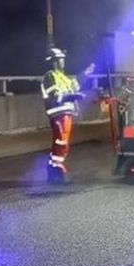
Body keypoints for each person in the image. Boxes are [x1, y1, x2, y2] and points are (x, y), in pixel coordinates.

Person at [41, 47, 94, 183]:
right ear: (54, 62)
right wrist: (73, 97)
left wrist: (85, 74)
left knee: (61, 141)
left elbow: (73, 85)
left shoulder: (61, 77)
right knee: (61, 141)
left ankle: (54, 167)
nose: (63, 63)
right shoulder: (50, 77)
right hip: (58, 113)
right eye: (60, 60)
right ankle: (55, 169)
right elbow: (56, 97)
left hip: (65, 114)